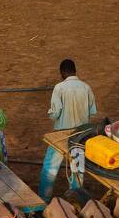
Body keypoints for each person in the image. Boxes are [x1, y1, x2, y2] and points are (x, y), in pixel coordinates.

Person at [39, 59, 96, 199]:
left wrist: (50, 112)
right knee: (77, 170)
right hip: (80, 135)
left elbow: (55, 113)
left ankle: (44, 199)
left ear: (62, 73)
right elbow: (92, 111)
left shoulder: (59, 88)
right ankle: (75, 200)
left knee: (50, 169)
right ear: (75, 71)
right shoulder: (86, 87)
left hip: (61, 135)